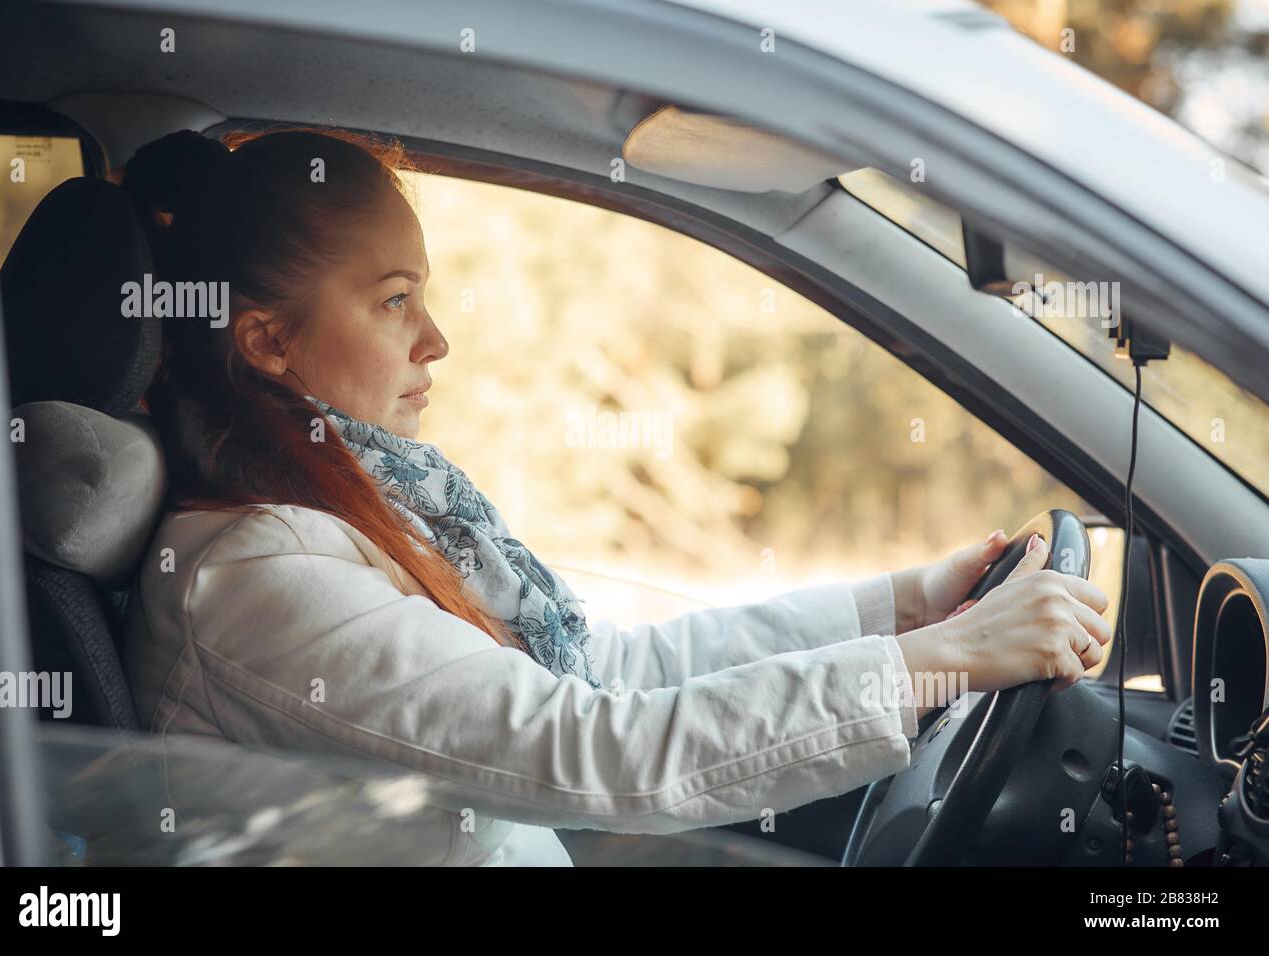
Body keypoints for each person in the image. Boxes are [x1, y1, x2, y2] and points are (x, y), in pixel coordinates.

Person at [120, 128, 1111, 865]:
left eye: (422, 296)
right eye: (392, 300)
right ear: (266, 341)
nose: (435, 341)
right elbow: (592, 747)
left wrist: (904, 604)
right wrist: (935, 663)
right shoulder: (256, 579)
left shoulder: (344, 515)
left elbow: (596, 671)